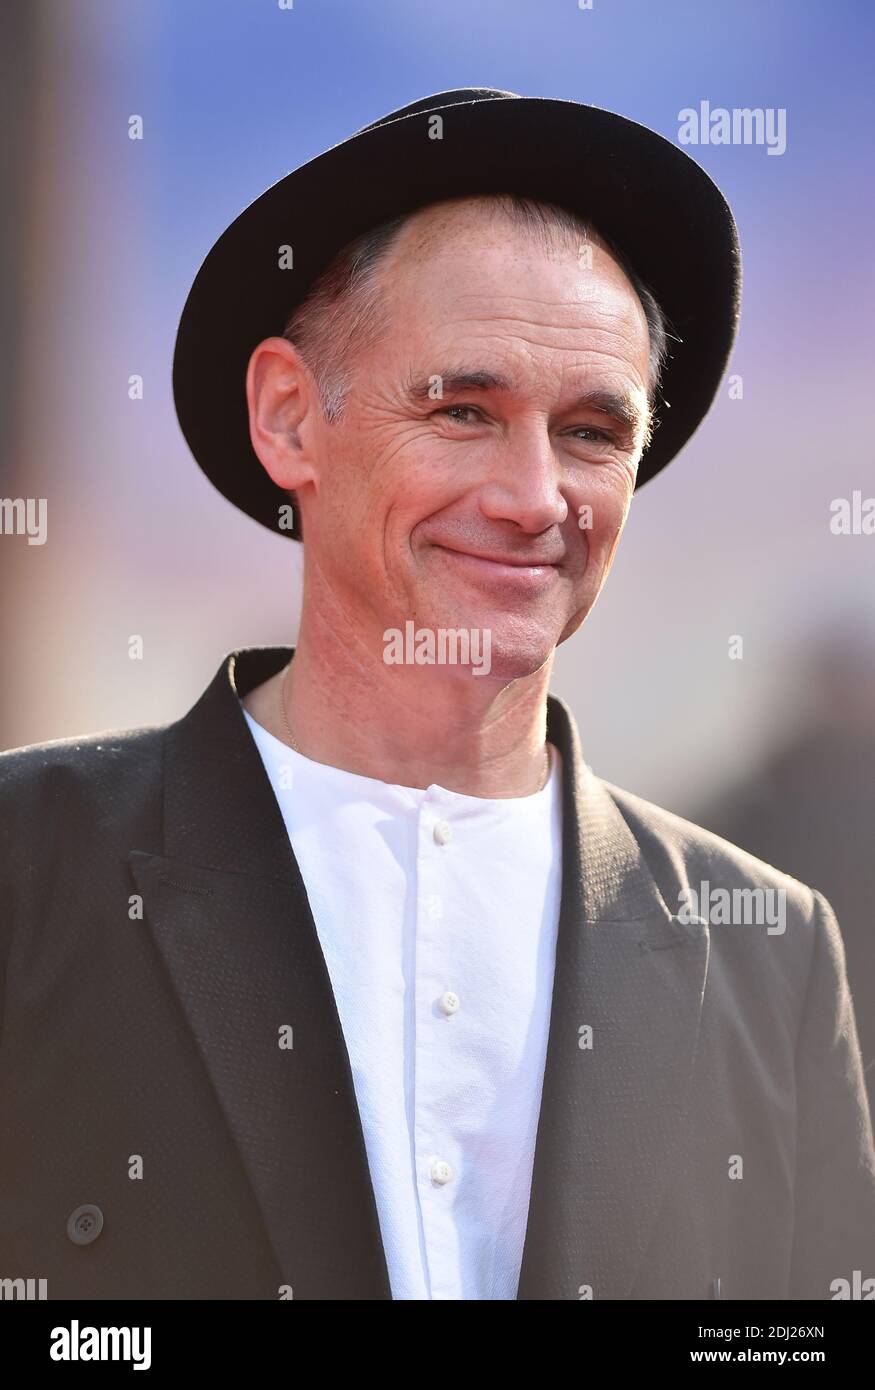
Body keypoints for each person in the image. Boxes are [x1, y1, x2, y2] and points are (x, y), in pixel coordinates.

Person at [1, 88, 872, 1301]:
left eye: (589, 432)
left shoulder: (767, 956)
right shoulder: (27, 865)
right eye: (462, 410)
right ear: (289, 417)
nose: (533, 497)